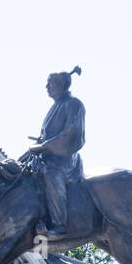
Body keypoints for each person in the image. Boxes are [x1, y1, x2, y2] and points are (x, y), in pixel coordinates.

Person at [22, 67, 85, 238]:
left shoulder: (74, 104)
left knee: (51, 175)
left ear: (61, 85)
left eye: (50, 84)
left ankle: (59, 224)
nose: (47, 87)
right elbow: (44, 137)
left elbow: (72, 133)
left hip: (64, 158)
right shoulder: (55, 106)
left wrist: (45, 146)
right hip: (47, 154)